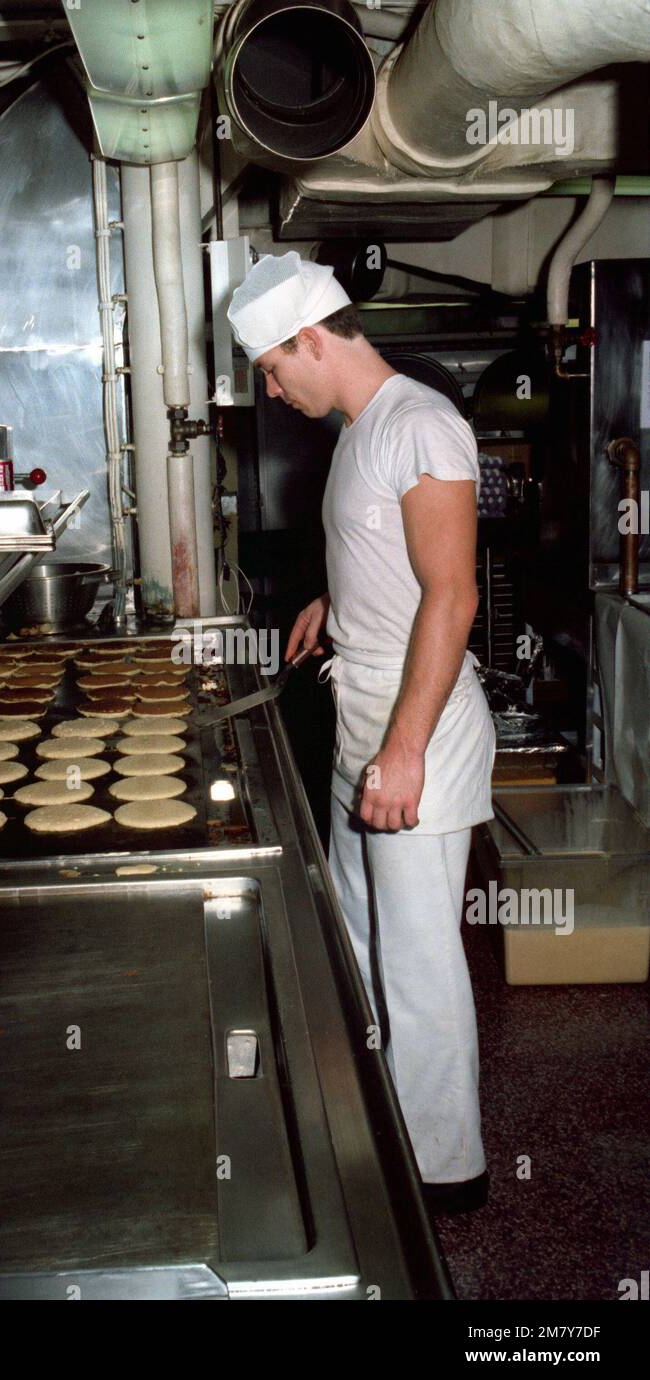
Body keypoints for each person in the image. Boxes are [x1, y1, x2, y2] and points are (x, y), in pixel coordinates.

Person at [228, 251, 496, 1215]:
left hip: (412, 729)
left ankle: (444, 1172)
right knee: (358, 924)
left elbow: (453, 593)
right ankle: (380, 1120)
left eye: (270, 366)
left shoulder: (421, 426)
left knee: (419, 956)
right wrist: (333, 600)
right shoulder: (361, 430)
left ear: (309, 339)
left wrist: (407, 749)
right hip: (364, 710)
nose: (270, 386)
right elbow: (391, 558)